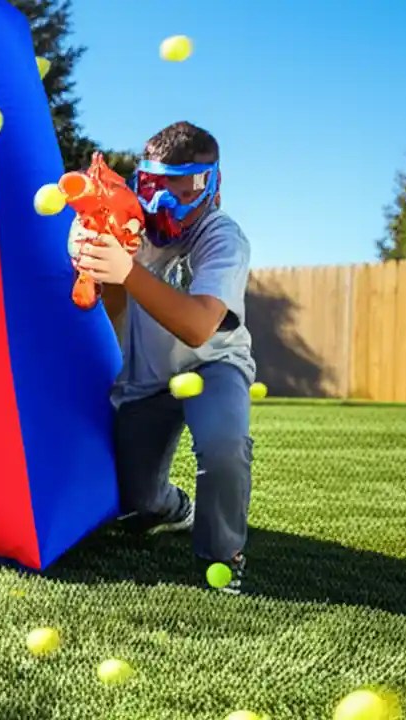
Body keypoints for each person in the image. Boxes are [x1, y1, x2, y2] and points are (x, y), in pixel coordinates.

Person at [73, 121, 256, 594]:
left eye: (186, 184)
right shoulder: (129, 227)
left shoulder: (222, 237)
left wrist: (127, 271)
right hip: (147, 379)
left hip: (213, 366)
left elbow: (198, 327)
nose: (166, 199)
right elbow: (109, 312)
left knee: (223, 446)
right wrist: (90, 263)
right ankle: (174, 508)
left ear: (213, 187)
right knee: (136, 503)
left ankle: (224, 555)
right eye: (156, 184)